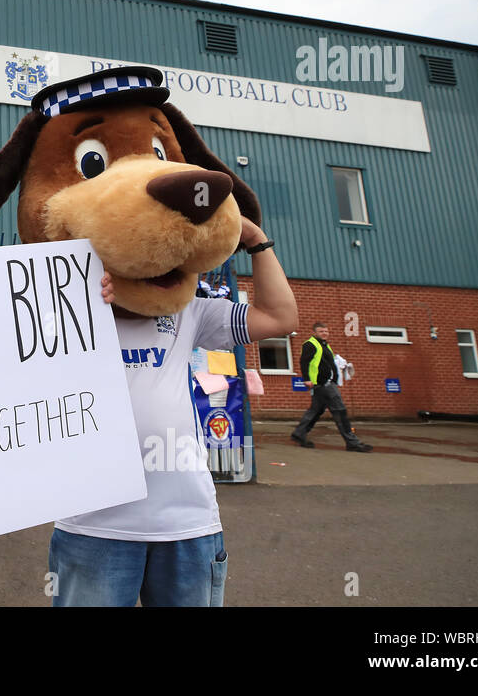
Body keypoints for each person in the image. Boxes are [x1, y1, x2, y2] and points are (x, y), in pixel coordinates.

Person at [56, 216, 298, 607]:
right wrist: (78, 293)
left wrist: (255, 240)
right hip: (93, 525)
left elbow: (280, 318)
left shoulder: (189, 313)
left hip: (186, 523)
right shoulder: (68, 310)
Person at [290, 323, 373, 452]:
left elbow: (328, 363)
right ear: (314, 332)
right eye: (321, 331)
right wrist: (306, 379)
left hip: (326, 383)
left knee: (316, 410)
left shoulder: (325, 345)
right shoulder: (310, 344)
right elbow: (304, 362)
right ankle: (352, 442)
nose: (324, 333)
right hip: (324, 384)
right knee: (340, 411)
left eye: (326, 331)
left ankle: (299, 433)